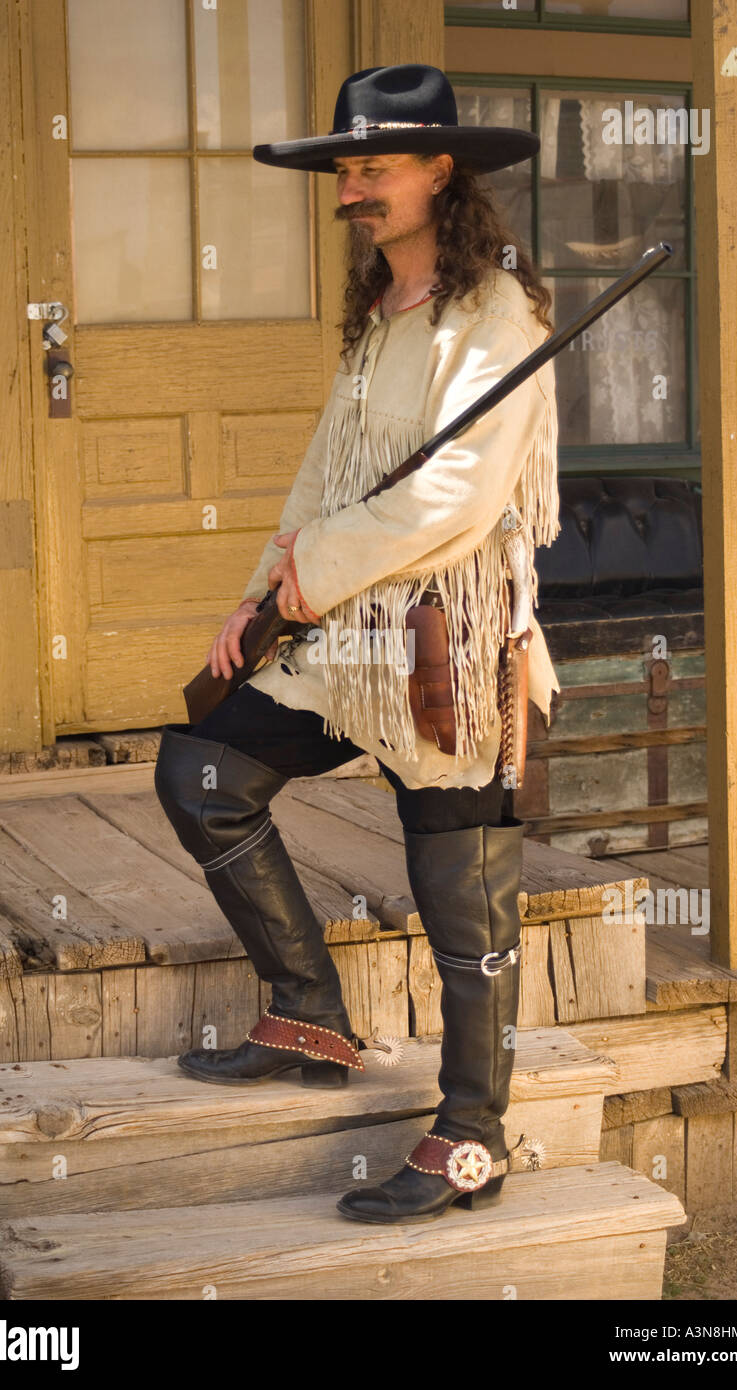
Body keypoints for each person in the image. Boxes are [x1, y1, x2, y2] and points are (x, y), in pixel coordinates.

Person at [154, 63, 561, 1224]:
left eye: (374, 167)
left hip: (447, 641)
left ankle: (471, 1136)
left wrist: (306, 582)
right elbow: (326, 479)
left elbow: (455, 503)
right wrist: (257, 599)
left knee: (460, 895)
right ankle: (310, 1012)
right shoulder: (381, 310)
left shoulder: (501, 313)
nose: (352, 188)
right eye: (343, 168)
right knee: (203, 771)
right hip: (335, 641)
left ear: (442, 171)